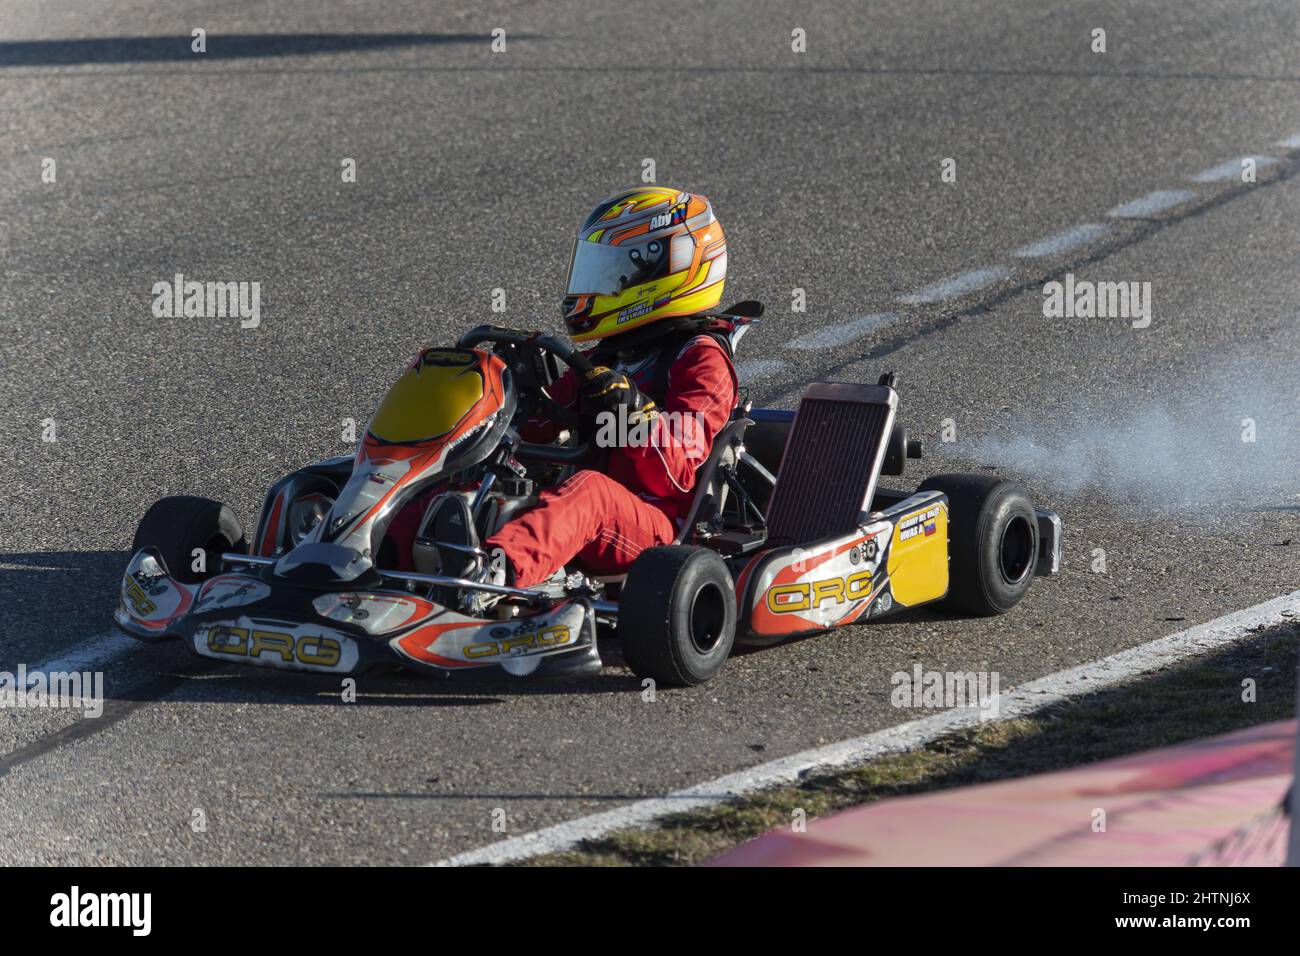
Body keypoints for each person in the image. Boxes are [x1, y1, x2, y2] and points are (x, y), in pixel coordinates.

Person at [474, 186, 738, 594]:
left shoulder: (701, 359)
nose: (597, 285)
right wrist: (510, 395)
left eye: (615, 272)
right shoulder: (609, 357)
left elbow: (677, 474)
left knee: (590, 492)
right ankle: (371, 552)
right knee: (469, 471)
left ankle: (492, 576)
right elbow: (538, 429)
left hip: (660, 531)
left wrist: (633, 414)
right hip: (584, 511)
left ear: (664, 271)